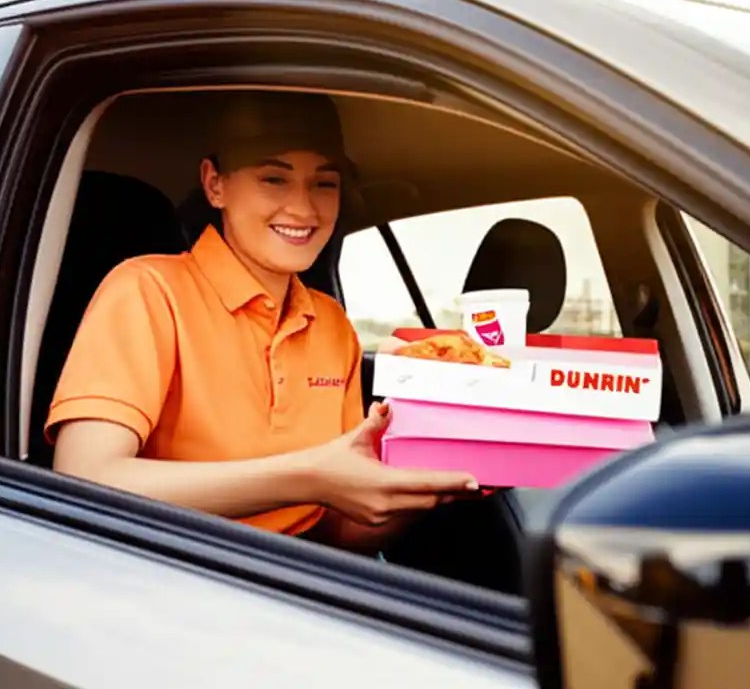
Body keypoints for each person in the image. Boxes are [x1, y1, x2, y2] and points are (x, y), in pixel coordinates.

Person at [46, 91, 477, 553]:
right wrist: (308, 476)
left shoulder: (330, 323)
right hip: (167, 571)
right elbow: (85, 477)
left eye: (324, 184)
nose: (303, 209)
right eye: (274, 178)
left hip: (297, 579)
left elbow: (337, 528)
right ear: (215, 185)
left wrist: (432, 477)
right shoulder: (148, 290)